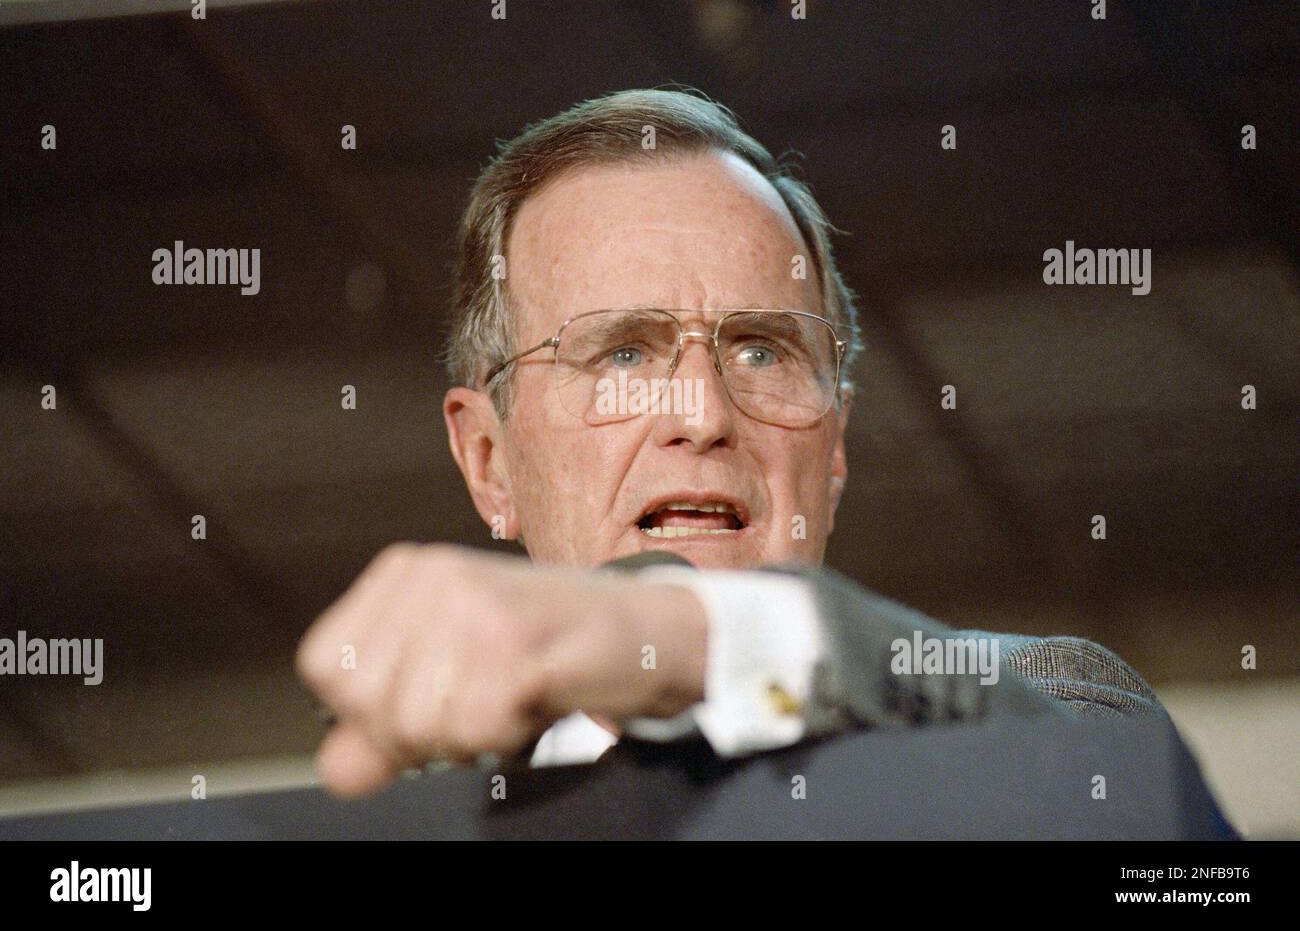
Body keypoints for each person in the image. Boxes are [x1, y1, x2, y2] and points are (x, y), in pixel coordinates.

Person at [296, 89, 1164, 798]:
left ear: (834, 449)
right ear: (489, 462)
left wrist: (687, 638)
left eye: (762, 349)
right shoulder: (414, 827)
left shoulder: (1046, 714)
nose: (704, 411)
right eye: (623, 352)